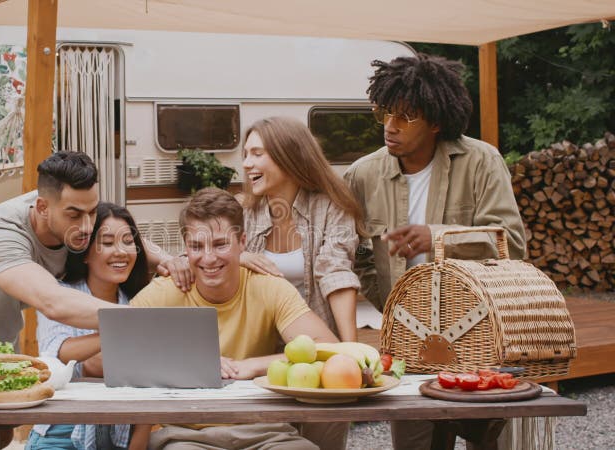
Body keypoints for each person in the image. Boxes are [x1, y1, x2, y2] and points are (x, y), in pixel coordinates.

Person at [0, 151, 172, 450]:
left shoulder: (71, 208)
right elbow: (53, 302)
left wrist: (168, 260)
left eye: (92, 212)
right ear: (42, 208)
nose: (87, 226)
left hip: (1, 335)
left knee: (3, 433)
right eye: (75, 215)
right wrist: (138, 318)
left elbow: (119, 232)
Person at [343, 53, 526, 449]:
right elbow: (354, 253)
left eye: (406, 117)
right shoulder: (362, 175)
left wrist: (439, 237)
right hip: (409, 340)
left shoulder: (481, 161)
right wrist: (393, 304)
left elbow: (512, 242)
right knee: (416, 442)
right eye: (385, 113)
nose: (390, 126)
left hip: (479, 331)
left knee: (492, 440)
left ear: (436, 122)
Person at [87, 187, 338, 450]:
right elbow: (95, 361)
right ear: (185, 247)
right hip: (185, 436)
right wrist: (191, 363)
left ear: (242, 242)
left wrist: (251, 366)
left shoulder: (268, 287)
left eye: (220, 244)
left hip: (264, 432)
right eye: (196, 246)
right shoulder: (166, 291)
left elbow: (329, 348)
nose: (208, 258)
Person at [27, 202, 151, 450]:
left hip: (118, 436)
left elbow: (150, 384)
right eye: (107, 243)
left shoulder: (141, 300)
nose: (121, 252)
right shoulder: (59, 295)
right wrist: (121, 326)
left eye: (128, 242)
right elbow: (57, 354)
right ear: (84, 253)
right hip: (60, 431)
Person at [240, 116, 364, 343]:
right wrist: (238, 257)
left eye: (257, 154)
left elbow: (336, 272)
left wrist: (350, 348)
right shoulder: (243, 211)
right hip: (260, 344)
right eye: (246, 154)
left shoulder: (332, 208)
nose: (247, 164)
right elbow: (204, 255)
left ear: (288, 157)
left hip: (314, 342)